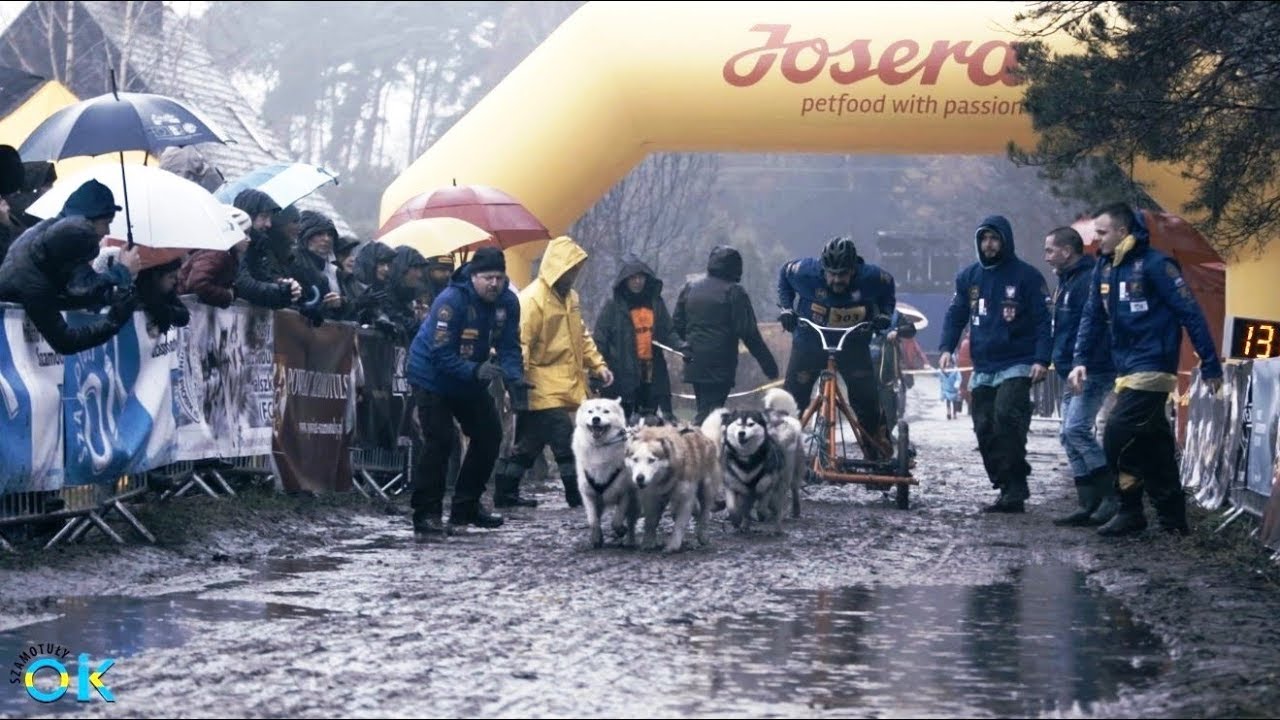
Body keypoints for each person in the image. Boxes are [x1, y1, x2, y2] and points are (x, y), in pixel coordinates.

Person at [1070, 203, 1222, 536]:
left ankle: (1130, 510)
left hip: (1154, 365)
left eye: (1102, 233)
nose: (1096, 240)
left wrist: (1210, 363)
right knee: (1153, 443)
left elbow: (1190, 313)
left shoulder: (1156, 265)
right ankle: (1173, 519)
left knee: (1116, 435)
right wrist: (1079, 359)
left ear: (1122, 232)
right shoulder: (1104, 268)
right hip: (1123, 367)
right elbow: (1092, 317)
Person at [406, 246, 528, 539]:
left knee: (489, 434)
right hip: (432, 377)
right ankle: (427, 513)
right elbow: (440, 354)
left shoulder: (508, 303)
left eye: (499, 277)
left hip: (471, 377)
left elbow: (510, 345)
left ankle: (466, 507)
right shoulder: (451, 302)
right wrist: (474, 371)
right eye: (487, 277)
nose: (494, 284)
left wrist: (515, 378)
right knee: (441, 440)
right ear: (473, 277)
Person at [939, 215, 1052, 513]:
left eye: (994, 238)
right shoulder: (968, 278)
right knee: (983, 425)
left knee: (1005, 416)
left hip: (1018, 362)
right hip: (984, 365)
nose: (989, 244)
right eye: (984, 239)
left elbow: (1044, 321)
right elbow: (955, 315)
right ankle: (1006, 485)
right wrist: (946, 347)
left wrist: (1042, 358)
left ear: (1005, 240)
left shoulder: (1027, 277)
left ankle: (1016, 486)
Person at [492, 236, 613, 509]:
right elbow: (520, 342)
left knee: (530, 443)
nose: (572, 275)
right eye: (569, 269)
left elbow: (581, 336)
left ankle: (505, 493)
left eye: (575, 270)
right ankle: (576, 495)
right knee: (564, 436)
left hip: (562, 382)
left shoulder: (570, 298)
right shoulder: (533, 300)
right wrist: (517, 381)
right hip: (538, 382)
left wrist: (598, 365)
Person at [777, 236, 896, 456]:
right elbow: (784, 275)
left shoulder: (872, 277)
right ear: (823, 269)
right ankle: (780, 452)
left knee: (867, 401)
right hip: (811, 340)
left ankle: (878, 453)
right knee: (793, 398)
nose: (836, 280)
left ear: (854, 270)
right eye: (832, 273)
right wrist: (786, 308)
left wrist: (885, 315)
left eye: (843, 274)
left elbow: (888, 289)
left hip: (852, 343)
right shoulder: (804, 272)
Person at [0, 179, 141, 355]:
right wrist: (115, 317)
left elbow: (80, 287)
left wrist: (115, 293)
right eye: (106, 222)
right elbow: (66, 342)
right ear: (87, 221)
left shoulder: (59, 240)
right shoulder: (33, 278)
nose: (107, 232)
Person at [1043, 226, 1118, 527]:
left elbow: (1096, 325)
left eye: (1050, 250)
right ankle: (1088, 503)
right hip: (1068, 369)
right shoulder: (1066, 281)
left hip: (1091, 368)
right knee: (1067, 434)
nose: (1045, 256)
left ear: (1067, 250)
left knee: (1077, 430)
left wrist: (1082, 361)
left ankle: (1112, 498)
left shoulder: (1089, 280)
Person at [673, 245, 779, 424]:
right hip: (720, 363)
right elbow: (749, 333)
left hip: (693, 360)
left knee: (705, 408)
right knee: (710, 415)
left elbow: (677, 324)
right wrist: (769, 365)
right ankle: (694, 445)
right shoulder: (734, 292)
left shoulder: (690, 287)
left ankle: (704, 445)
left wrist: (688, 344)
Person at [593, 253, 676, 422]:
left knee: (650, 422)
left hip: (652, 372)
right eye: (633, 278)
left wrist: (682, 346)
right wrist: (596, 373)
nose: (638, 281)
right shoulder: (613, 307)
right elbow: (600, 341)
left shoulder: (656, 303)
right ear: (625, 281)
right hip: (622, 374)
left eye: (641, 277)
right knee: (622, 422)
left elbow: (668, 332)